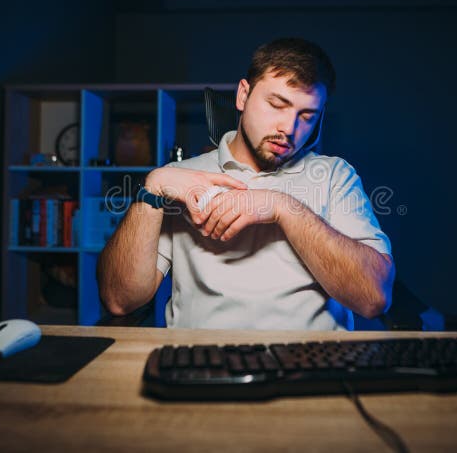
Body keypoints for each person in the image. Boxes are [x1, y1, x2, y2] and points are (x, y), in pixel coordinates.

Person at [97, 37, 394, 330]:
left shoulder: (334, 176)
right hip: (201, 362)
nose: (289, 129)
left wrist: (283, 207)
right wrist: (154, 185)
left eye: (307, 116)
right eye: (277, 104)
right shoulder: (179, 178)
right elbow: (120, 300)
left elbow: (373, 298)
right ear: (243, 95)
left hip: (308, 363)